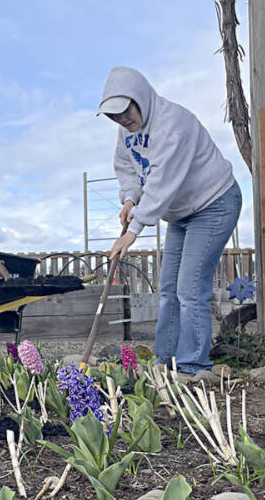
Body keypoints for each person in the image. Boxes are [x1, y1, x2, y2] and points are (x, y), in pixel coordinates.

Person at [98, 66, 241, 379]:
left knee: (190, 288)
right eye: (113, 116)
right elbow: (127, 168)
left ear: (141, 98)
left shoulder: (174, 123)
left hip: (213, 203)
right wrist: (129, 199)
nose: (121, 120)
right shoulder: (127, 132)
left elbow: (163, 181)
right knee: (168, 288)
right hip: (180, 213)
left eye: (125, 111)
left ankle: (192, 368)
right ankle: (167, 361)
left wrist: (134, 228)